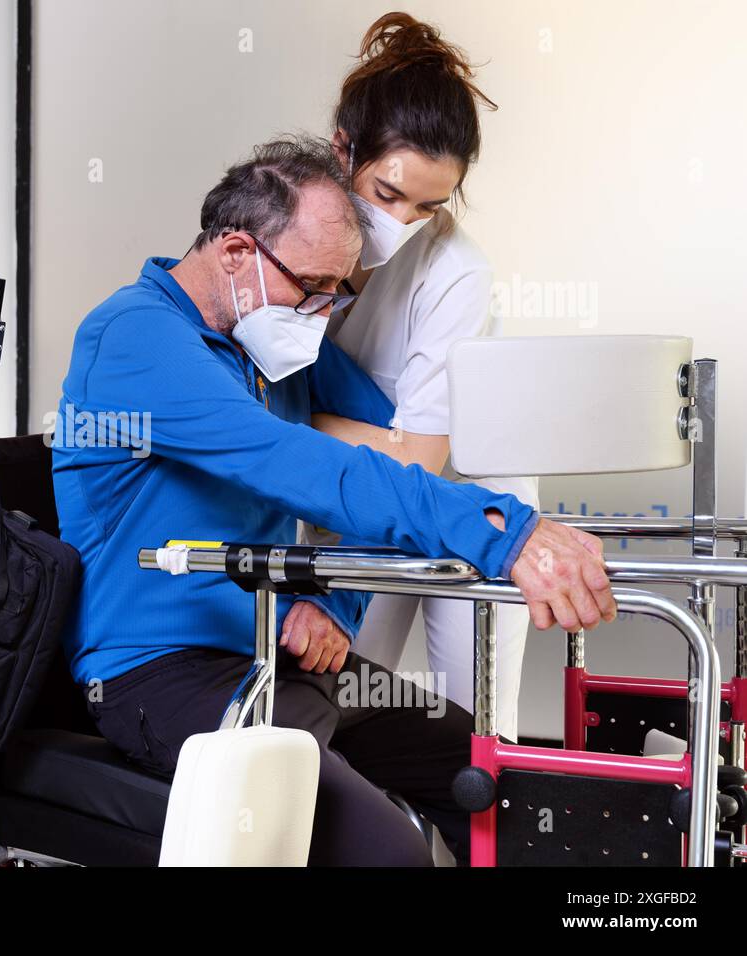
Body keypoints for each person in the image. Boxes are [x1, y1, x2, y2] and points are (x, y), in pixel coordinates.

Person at [50, 135, 614, 865]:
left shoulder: (276, 342)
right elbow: (311, 469)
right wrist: (504, 537)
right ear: (234, 254)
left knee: (491, 783)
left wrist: (335, 604)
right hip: (156, 671)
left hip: (276, 647)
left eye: (335, 293)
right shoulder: (133, 338)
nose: (321, 315)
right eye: (310, 287)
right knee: (385, 851)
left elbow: (406, 458)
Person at [300, 12, 537, 740]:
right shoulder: (294, 230)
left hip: (465, 501)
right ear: (344, 149)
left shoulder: (457, 271)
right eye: (388, 193)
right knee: (332, 717)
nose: (403, 221)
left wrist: (277, 426)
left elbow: (422, 460)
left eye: (429, 206)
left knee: (474, 741)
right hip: (356, 497)